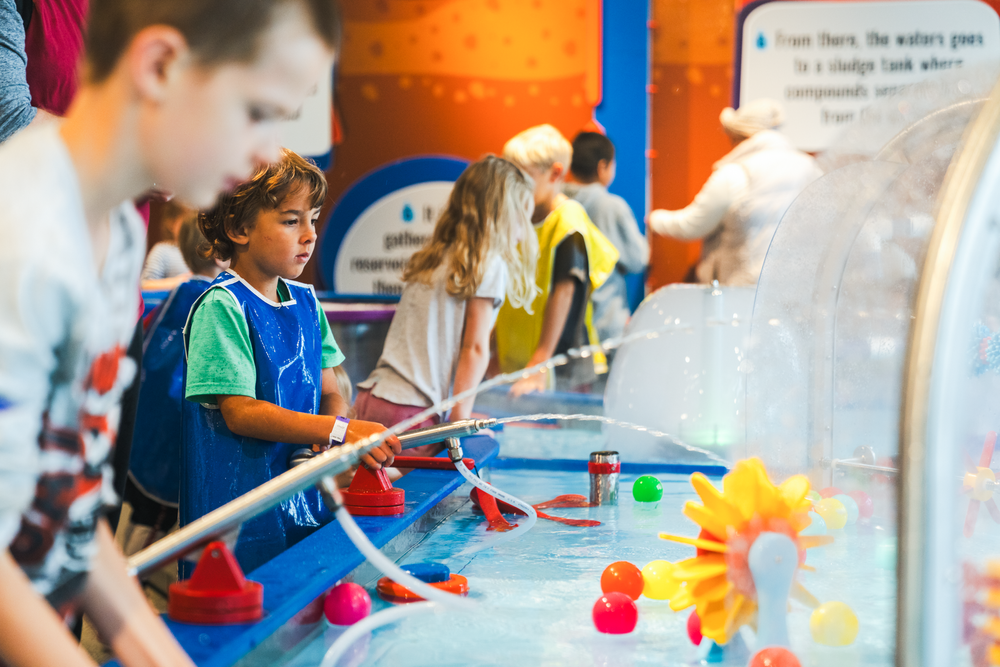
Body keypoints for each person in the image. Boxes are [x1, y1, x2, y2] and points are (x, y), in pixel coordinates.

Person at [0, 0, 341, 665]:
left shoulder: (116, 235)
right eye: (255, 111)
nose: (266, 152)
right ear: (159, 66)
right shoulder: (26, 230)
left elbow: (63, 500)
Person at [183, 149, 401, 574]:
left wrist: (338, 432)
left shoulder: (306, 302)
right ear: (239, 228)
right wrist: (339, 430)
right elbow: (241, 413)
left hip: (303, 499)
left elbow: (331, 391)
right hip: (237, 514)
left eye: (313, 220)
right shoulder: (222, 306)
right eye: (291, 221)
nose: (309, 235)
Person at [356, 156, 538, 453]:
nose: (522, 234)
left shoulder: (434, 257)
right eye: (522, 219)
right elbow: (474, 348)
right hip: (413, 412)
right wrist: (460, 423)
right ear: (503, 217)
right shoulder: (489, 263)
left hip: (374, 398)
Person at [121, 217, 228, 555]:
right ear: (220, 253)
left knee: (141, 523)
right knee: (154, 532)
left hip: (144, 433)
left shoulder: (176, 296)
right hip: (172, 441)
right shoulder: (215, 301)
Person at [494, 124, 619, 396]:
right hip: (515, 359)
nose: (513, 186)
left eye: (523, 178)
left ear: (555, 173)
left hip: (558, 367)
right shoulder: (516, 217)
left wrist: (540, 362)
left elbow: (564, 291)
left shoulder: (567, 218)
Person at [647, 99, 822, 285]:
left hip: (741, 289)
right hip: (794, 287)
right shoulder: (811, 168)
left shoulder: (735, 174)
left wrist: (654, 220)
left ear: (741, 135)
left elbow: (692, 224)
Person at [566, 131, 648, 343]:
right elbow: (638, 259)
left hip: (563, 322)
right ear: (602, 167)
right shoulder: (612, 207)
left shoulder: (558, 203)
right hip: (604, 322)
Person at [140, 200, 194, 291]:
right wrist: (178, 282)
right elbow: (145, 284)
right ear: (171, 223)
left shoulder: (201, 251)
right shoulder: (162, 250)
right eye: (187, 220)